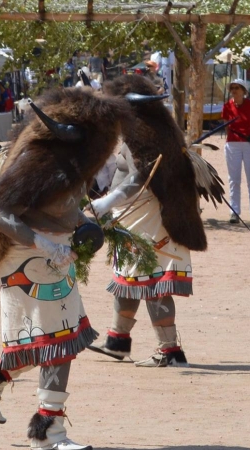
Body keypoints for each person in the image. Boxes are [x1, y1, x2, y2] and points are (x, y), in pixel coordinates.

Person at [0, 87, 129, 450]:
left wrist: (84, 224)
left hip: (56, 256)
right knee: (58, 342)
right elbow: (2, 214)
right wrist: (45, 244)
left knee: (61, 338)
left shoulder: (71, 163)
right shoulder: (42, 158)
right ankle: (48, 430)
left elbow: (63, 206)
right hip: (28, 255)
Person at [87, 75, 224, 367]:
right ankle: (117, 341)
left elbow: (142, 176)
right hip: (136, 221)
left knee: (153, 285)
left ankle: (170, 351)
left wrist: (108, 201)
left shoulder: (144, 132)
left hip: (151, 219)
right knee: (129, 281)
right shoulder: (143, 129)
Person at [221, 79, 250, 224]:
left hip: (249, 143)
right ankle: (234, 212)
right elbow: (227, 127)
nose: (234, 90)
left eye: (237, 87)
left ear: (243, 90)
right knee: (234, 180)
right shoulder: (227, 106)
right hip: (233, 144)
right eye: (232, 88)